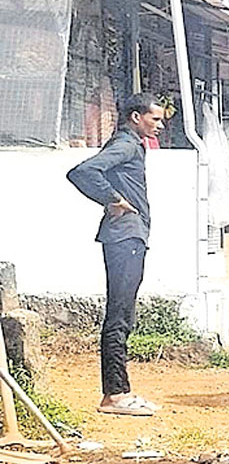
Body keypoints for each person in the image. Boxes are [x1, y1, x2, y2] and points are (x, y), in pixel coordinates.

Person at [66, 93, 167, 417]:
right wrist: (112, 199)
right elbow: (82, 171)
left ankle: (118, 391)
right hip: (125, 237)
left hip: (129, 236)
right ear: (136, 117)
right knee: (120, 316)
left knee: (123, 314)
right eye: (155, 118)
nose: (160, 125)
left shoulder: (131, 144)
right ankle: (115, 394)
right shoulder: (125, 143)